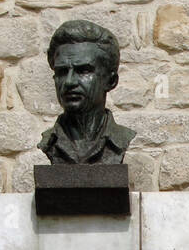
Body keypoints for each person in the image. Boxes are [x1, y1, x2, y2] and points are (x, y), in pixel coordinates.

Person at [38, 20, 135, 165]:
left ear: (111, 81)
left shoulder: (123, 141)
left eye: (83, 71)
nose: (69, 82)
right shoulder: (49, 144)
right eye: (62, 72)